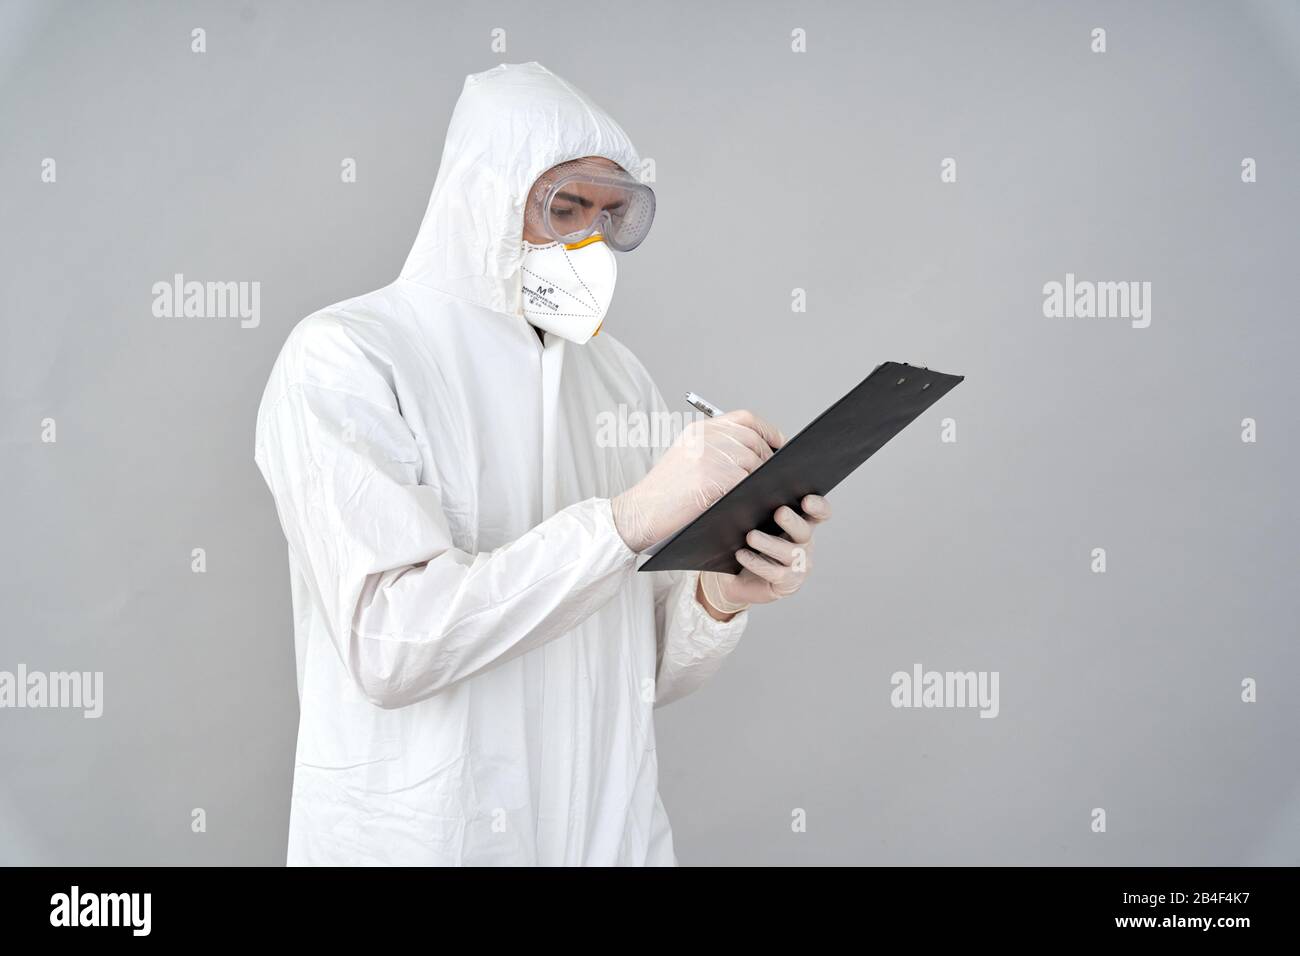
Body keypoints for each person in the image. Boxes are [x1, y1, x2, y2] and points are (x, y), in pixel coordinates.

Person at [253, 62, 831, 866]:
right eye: (564, 207)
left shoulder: (614, 376)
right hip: (429, 838)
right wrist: (628, 520)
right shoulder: (349, 356)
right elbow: (391, 642)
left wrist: (717, 594)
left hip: (604, 832)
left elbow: (641, 669)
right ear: (482, 196)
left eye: (610, 212)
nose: (588, 239)